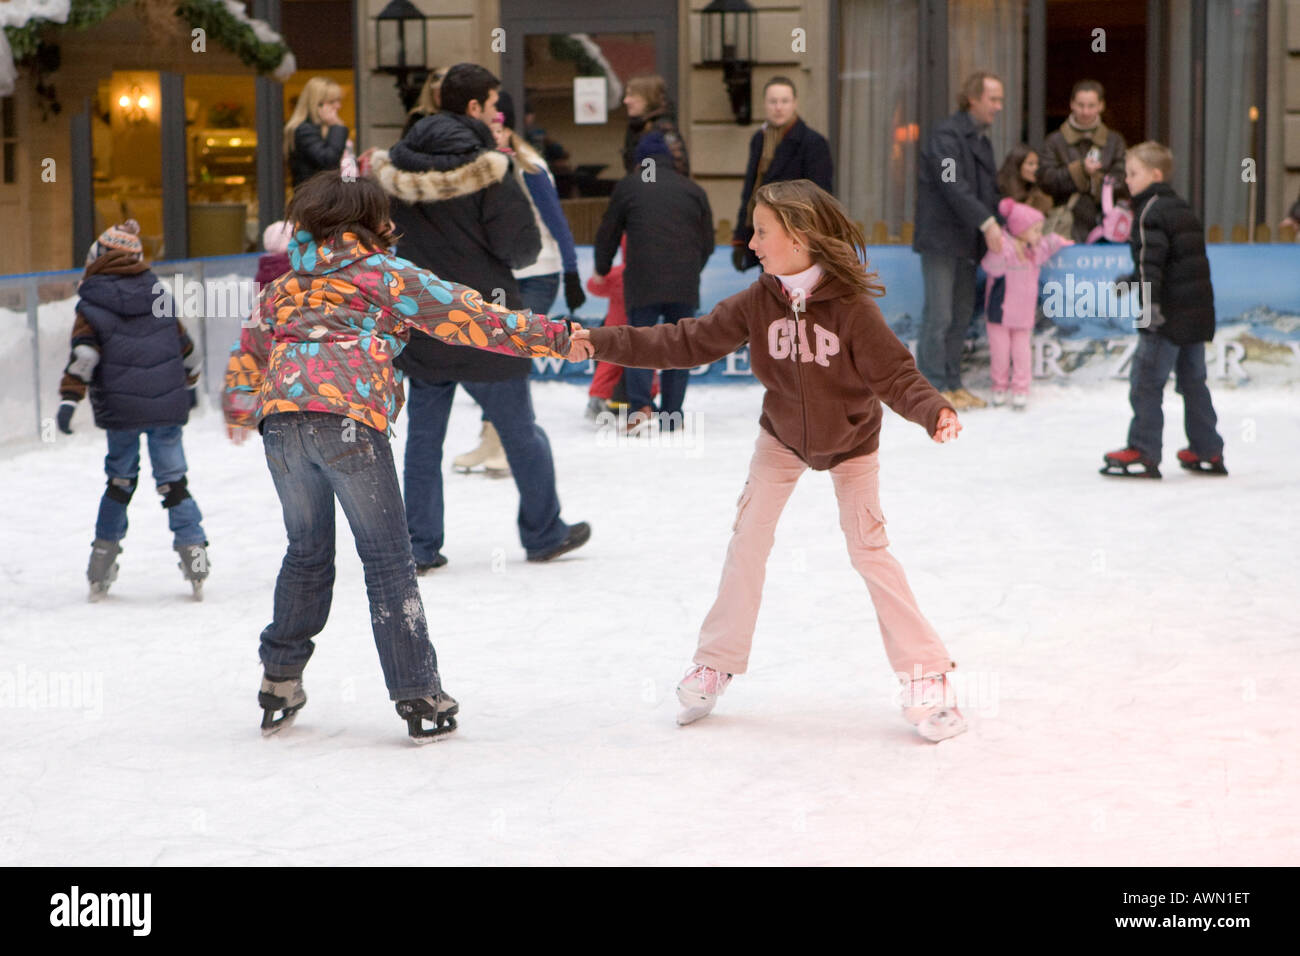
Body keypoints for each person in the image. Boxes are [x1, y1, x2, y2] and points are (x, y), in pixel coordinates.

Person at [571, 180, 967, 743]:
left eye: (762, 231)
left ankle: (927, 675)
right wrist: (600, 341)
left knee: (869, 550)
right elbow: (684, 341)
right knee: (748, 539)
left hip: (853, 440)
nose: (751, 243)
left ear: (800, 237)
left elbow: (895, 374)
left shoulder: (851, 308)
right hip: (780, 438)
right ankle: (715, 661)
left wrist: (933, 411)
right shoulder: (759, 301)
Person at [222, 171, 584, 741]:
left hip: (283, 423)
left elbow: (252, 346)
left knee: (307, 553)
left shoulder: (286, 285)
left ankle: (279, 679)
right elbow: (471, 315)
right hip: (347, 422)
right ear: (369, 220)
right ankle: (418, 693)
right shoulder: (383, 273)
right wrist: (554, 337)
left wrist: (240, 406)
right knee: (388, 560)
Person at [369, 62, 591, 569]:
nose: (498, 113)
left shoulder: (396, 167)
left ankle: (419, 546)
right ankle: (544, 532)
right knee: (520, 431)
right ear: (473, 108)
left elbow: (381, 240)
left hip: (421, 320)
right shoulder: (489, 167)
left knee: (424, 441)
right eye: (493, 103)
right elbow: (521, 248)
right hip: (484, 322)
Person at [55, 219, 209, 601]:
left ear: (100, 260)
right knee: (173, 481)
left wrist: (69, 399)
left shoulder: (90, 302)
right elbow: (188, 351)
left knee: (120, 482)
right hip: (166, 409)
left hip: (121, 411)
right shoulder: (159, 294)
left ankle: (101, 565)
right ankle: (196, 558)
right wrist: (188, 388)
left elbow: (85, 355)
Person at [451, 93, 588, 473]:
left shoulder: (530, 166)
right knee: (489, 355)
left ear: (510, 127)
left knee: (510, 356)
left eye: (499, 125)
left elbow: (557, 221)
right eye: (487, 126)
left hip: (539, 274)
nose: (493, 132)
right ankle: (490, 439)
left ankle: (509, 444)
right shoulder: (482, 167)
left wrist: (573, 271)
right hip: (498, 275)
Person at [1100, 142, 1226, 479]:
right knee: (1193, 383)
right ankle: (1207, 448)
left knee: (1145, 381)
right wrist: (1132, 280)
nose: (1127, 180)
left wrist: (1148, 310)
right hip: (1195, 314)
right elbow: (1174, 263)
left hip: (1165, 314)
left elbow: (1150, 265)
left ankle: (1143, 448)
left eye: (1133, 173)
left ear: (1155, 175)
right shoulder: (1181, 207)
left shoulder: (1148, 211)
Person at [593, 132, 715, 432]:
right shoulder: (692, 190)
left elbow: (608, 231)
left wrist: (602, 267)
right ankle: (673, 413)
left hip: (643, 281)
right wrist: (691, 270)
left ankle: (641, 408)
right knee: (679, 345)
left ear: (639, 162)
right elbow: (708, 242)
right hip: (683, 284)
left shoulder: (630, 186)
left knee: (641, 343)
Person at [913, 71, 1008, 412]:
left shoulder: (981, 141)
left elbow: (987, 192)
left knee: (960, 316)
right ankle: (930, 388)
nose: (999, 106)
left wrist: (1002, 220)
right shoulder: (945, 136)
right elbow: (951, 181)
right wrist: (986, 222)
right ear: (973, 99)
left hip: (968, 243)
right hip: (941, 240)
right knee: (939, 316)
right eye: (994, 99)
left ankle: (953, 383)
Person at [731, 76, 833, 272]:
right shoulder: (759, 140)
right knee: (771, 294)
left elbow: (821, 198)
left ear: (795, 103)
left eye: (784, 101)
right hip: (765, 234)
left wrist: (806, 239)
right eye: (773, 101)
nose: (779, 107)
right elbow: (750, 191)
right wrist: (740, 239)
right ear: (765, 104)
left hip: (796, 240)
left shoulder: (812, 143)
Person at [980, 198, 1073, 409]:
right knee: (1000, 353)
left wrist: (1059, 240)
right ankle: (999, 386)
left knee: (1022, 353)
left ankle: (1021, 388)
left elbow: (1050, 243)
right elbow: (990, 266)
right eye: (1035, 230)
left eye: (1040, 230)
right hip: (999, 314)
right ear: (1020, 229)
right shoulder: (1003, 247)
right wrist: (1008, 249)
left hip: (1022, 315)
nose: (1039, 235)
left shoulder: (1036, 249)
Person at [1037, 80, 1128, 243]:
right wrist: (1079, 171)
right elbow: (1045, 180)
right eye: (1081, 105)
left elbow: (1124, 181)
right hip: (1066, 224)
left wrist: (1098, 180)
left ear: (1101, 106)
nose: (1085, 112)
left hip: (1106, 224)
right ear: (1072, 104)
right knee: (1068, 270)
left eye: (1091, 106)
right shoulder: (1055, 141)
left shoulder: (1114, 141)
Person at [285, 77, 353, 189]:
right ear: (317, 105)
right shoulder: (305, 130)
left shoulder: (324, 129)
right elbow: (329, 161)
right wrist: (337, 126)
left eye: (338, 101)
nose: (338, 106)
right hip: (315, 199)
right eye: (332, 102)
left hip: (324, 197)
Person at [621, 75, 689, 177]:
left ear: (648, 98)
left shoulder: (663, 129)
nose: (626, 101)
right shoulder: (636, 127)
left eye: (631, 95)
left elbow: (679, 169)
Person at [996, 144, 1053, 214]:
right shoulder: (1001, 187)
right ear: (1017, 165)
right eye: (1030, 164)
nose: (1036, 168)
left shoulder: (1034, 189)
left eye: (1037, 164)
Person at [401, 65, 450, 137]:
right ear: (431, 92)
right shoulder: (418, 117)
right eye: (438, 89)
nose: (442, 93)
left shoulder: (462, 118)